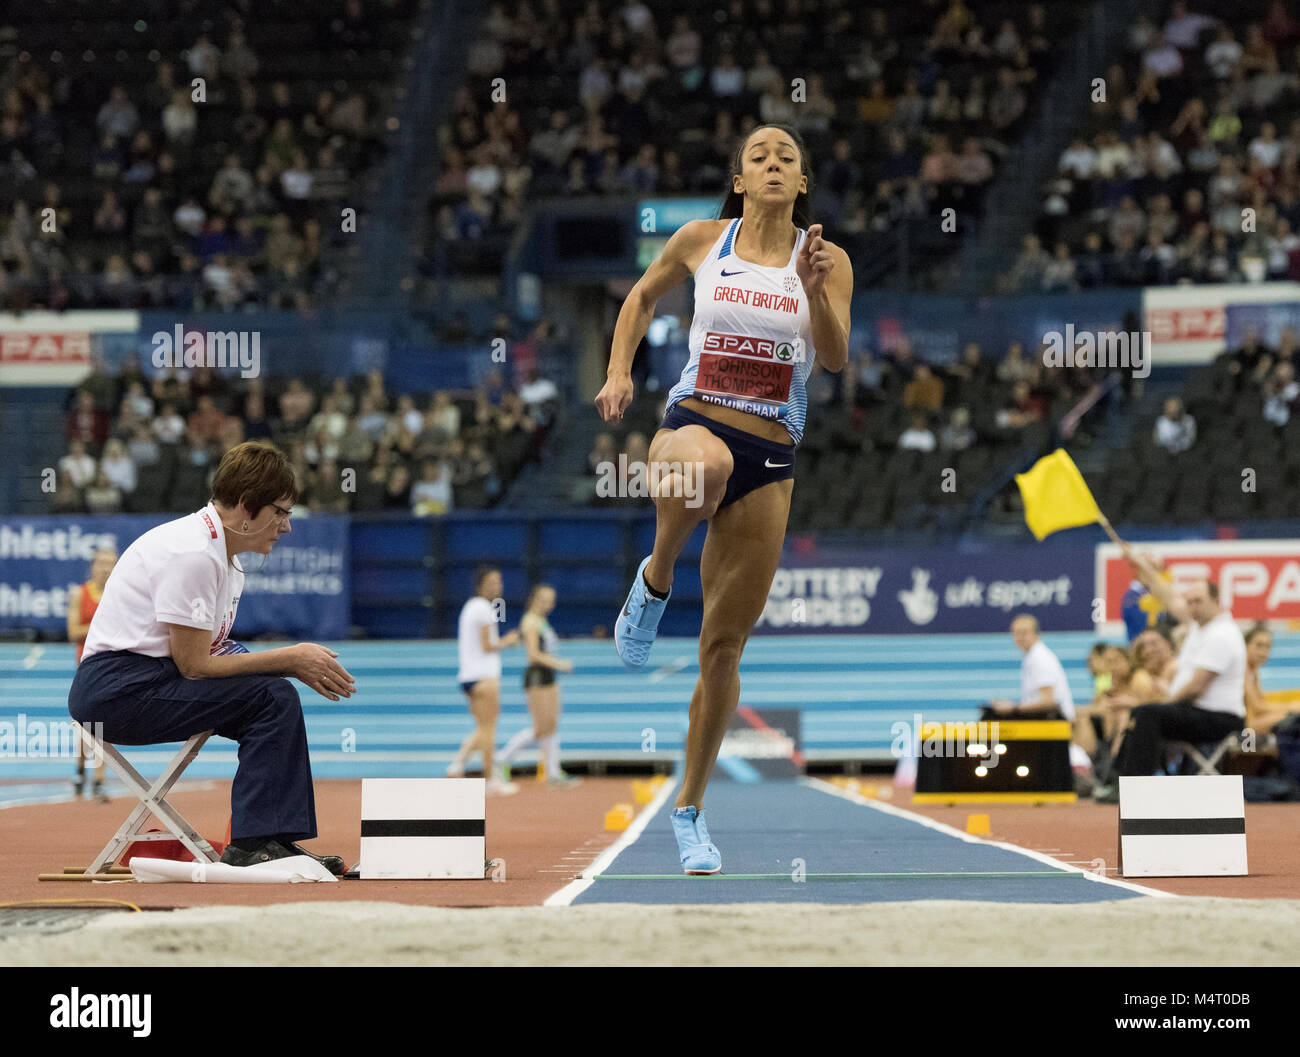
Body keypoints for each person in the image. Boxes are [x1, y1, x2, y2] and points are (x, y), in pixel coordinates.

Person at [594, 122, 852, 874]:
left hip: (772, 453)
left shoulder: (826, 260)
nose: (773, 165)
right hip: (693, 424)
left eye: (788, 158)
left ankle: (690, 811)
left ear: (802, 181)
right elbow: (641, 298)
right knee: (700, 467)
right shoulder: (704, 239)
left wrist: (813, 291)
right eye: (758, 157)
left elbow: (832, 357)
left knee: (723, 648)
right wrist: (619, 371)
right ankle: (657, 574)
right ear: (740, 179)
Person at [66, 441, 355, 871]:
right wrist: (289, 658)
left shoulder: (223, 554)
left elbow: (213, 652)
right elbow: (196, 666)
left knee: (272, 697)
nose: (287, 526)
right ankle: (255, 843)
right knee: (272, 697)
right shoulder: (194, 555)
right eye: (280, 512)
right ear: (244, 507)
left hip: (148, 677)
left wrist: (282, 664)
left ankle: (266, 840)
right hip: (114, 693)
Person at [1094, 547, 1247, 800]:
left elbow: (1196, 689)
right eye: (1190, 602)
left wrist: (1155, 702)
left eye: (1198, 602)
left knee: (1147, 713)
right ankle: (1115, 780)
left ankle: (1134, 789)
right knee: (1141, 713)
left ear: (1216, 601)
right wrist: (1143, 566)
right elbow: (1168, 596)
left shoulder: (1222, 635)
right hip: (1199, 712)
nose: (1192, 607)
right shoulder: (1200, 626)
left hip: (1220, 719)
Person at [496, 584, 579, 786]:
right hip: (537, 677)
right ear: (534, 598)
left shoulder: (542, 621)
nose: (548, 604)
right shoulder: (530, 621)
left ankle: (553, 772)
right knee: (541, 728)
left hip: (549, 676)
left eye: (551, 600)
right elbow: (533, 655)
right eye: (544, 599)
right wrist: (559, 663)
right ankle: (501, 759)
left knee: (551, 726)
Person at [448, 565, 521, 795]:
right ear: (480, 585)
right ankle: (490, 779)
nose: (497, 586)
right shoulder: (483, 608)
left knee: (482, 728)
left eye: (499, 582)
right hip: (484, 677)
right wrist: (508, 640)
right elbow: (488, 645)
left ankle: (458, 762)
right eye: (491, 582)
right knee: (489, 730)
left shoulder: (471, 607)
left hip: (469, 677)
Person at [67, 547, 118, 801]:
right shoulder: (80, 593)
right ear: (93, 566)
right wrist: (102, 622)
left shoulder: (120, 594)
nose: (106, 568)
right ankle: (80, 770)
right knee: (85, 726)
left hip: (111, 666)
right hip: (86, 665)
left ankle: (98, 780)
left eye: (111, 563)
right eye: (101, 563)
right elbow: (73, 631)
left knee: (102, 725)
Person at [986, 614, 1076, 720]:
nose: (1020, 637)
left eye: (1024, 633)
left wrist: (1013, 708)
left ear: (1036, 634)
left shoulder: (1040, 657)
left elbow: (1048, 702)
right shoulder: (1032, 657)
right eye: (1016, 633)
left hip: (1055, 719)